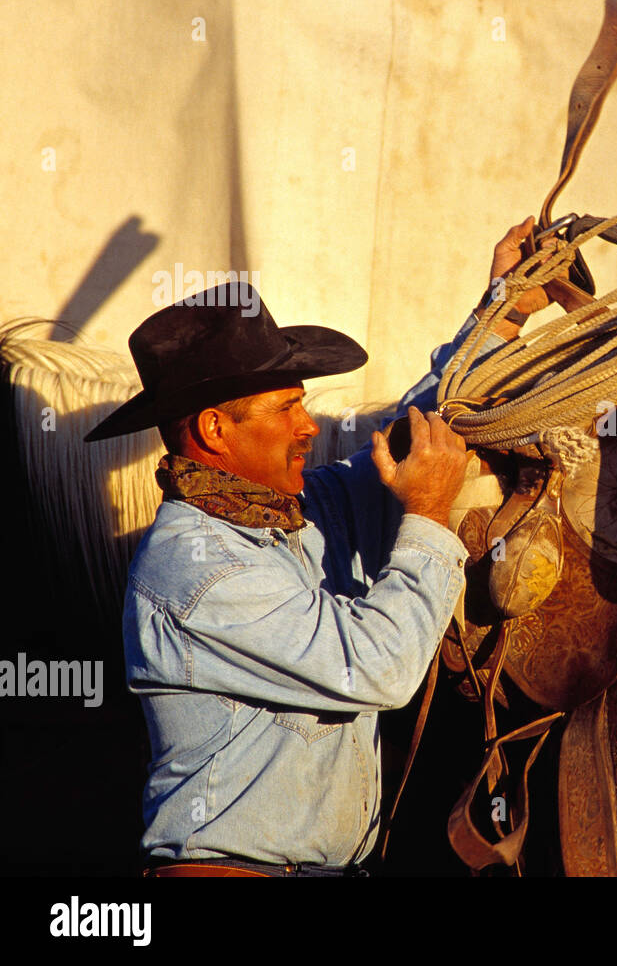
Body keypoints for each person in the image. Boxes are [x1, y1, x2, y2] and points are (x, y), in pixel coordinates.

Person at [86, 219, 553, 876]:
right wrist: (428, 512)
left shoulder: (295, 512)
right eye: (285, 408)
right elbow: (378, 668)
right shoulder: (195, 569)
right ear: (216, 429)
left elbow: (413, 433)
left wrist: (499, 311)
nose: (310, 425)